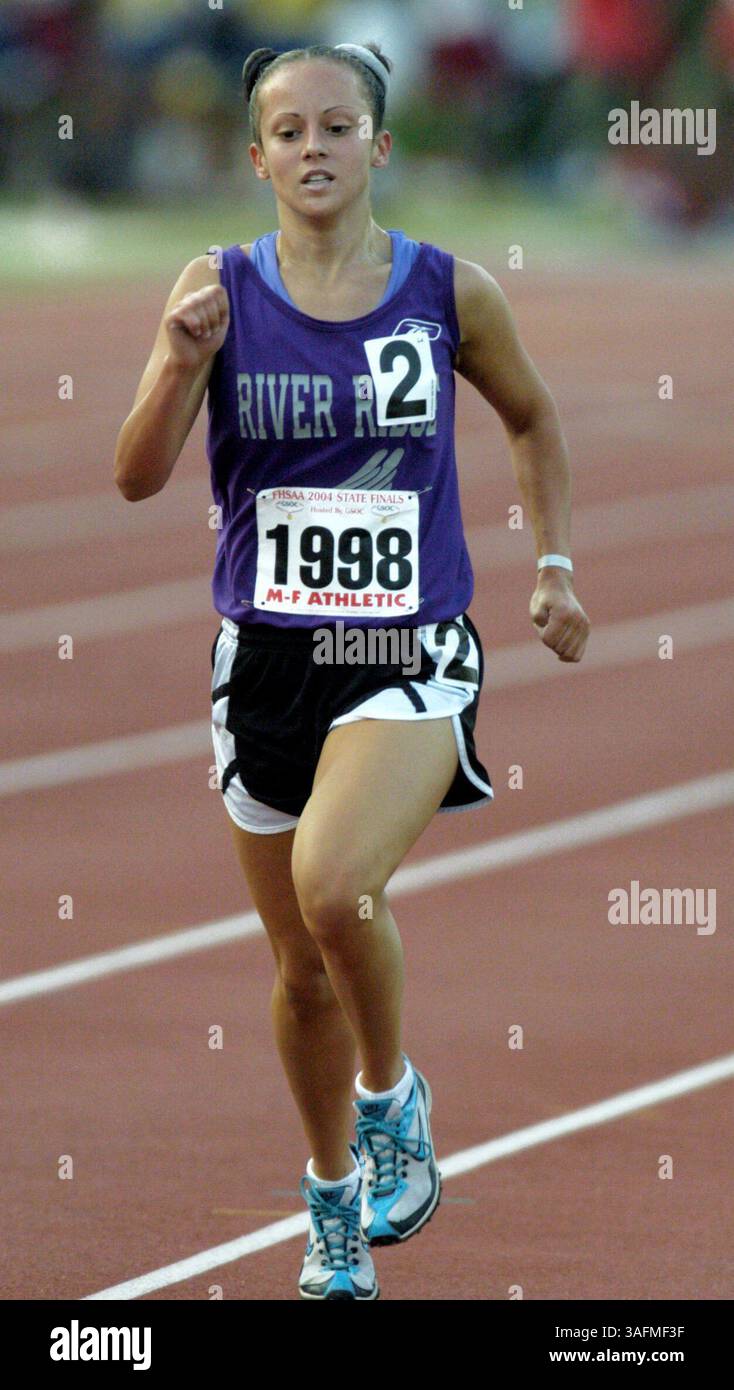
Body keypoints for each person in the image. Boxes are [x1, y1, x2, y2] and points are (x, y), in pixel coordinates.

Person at [113, 39, 590, 1302]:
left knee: (334, 887)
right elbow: (135, 475)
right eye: (288, 131)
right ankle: (331, 1204)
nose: (313, 148)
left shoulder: (447, 290)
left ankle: (393, 1100)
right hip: (264, 661)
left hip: (404, 646)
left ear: (379, 146)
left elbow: (531, 416)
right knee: (299, 969)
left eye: (337, 127)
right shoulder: (215, 288)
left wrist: (551, 565)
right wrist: (177, 358)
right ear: (255, 155)